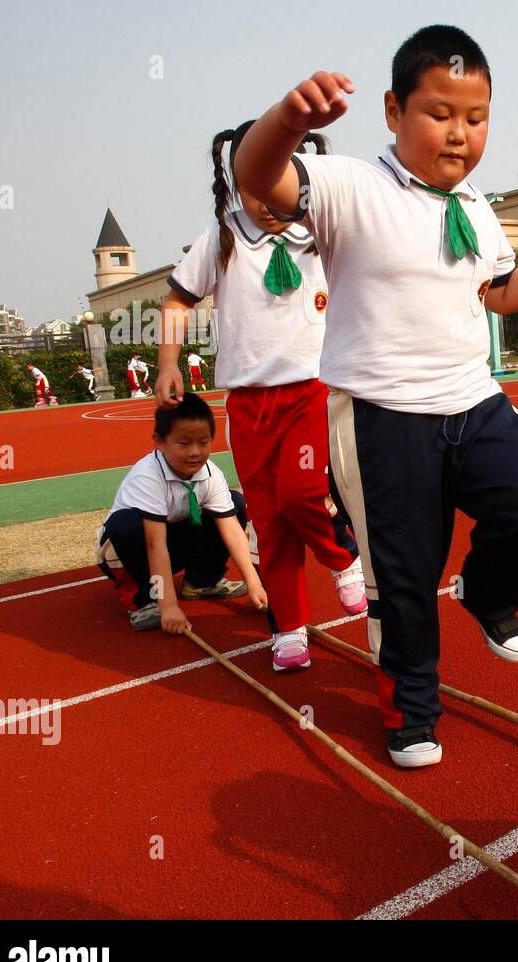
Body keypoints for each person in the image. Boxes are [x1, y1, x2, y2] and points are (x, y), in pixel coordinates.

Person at [233, 25, 518, 767]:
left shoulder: (476, 207)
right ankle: (413, 713)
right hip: (380, 417)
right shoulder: (351, 188)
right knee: (404, 577)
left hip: (473, 402)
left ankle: (490, 594)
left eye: (476, 117)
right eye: (440, 114)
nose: (460, 134)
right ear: (395, 111)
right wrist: (287, 122)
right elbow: (257, 176)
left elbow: (497, 293)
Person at [157, 121, 366, 674]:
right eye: (254, 185)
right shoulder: (223, 237)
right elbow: (177, 302)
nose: (267, 201)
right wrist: (169, 363)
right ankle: (290, 628)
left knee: (301, 495)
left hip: (309, 390)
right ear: (236, 182)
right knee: (269, 522)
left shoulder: (320, 232)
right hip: (249, 402)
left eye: (278, 182)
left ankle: (342, 557)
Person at [95, 394, 268, 633]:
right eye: (184, 444)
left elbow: (232, 530)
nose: (195, 452)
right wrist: (168, 606)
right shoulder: (148, 475)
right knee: (128, 523)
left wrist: (254, 583)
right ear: (160, 441)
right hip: (127, 550)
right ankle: (143, 599)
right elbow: (155, 543)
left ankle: (201, 581)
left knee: (235, 504)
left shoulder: (210, 473)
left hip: (170, 539)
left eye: (203, 442)